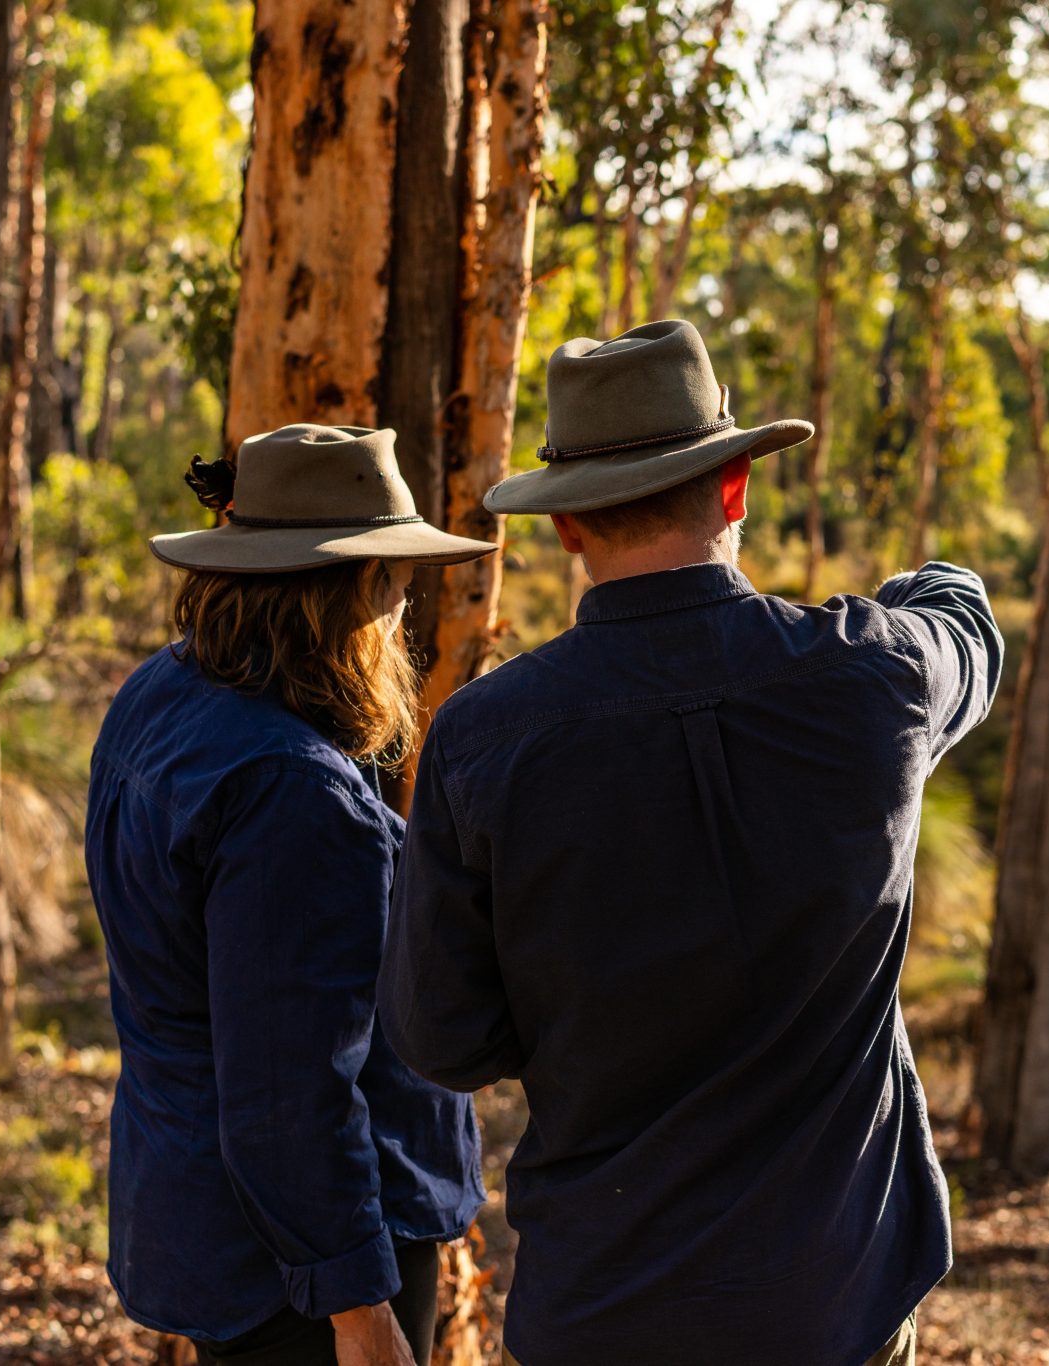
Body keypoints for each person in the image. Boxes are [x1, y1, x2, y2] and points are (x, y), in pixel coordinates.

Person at [383, 320, 1003, 1366]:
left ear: (568, 527)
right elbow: (966, 625)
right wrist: (907, 598)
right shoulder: (870, 678)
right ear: (735, 490)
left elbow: (441, 1039)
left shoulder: (483, 737)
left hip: (603, 1305)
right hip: (832, 1304)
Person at [85, 424, 495, 1366]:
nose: (404, 611)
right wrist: (360, 1312)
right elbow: (288, 1095)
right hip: (306, 1267)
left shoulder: (161, 692)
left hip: (208, 1216)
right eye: (395, 583)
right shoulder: (292, 792)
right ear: (346, 594)